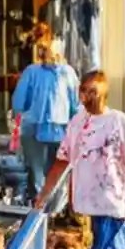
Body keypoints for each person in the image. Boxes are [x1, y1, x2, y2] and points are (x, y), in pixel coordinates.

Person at [34, 71, 125, 249]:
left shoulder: (121, 124)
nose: (87, 96)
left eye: (92, 91)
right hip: (82, 213)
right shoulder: (76, 124)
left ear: (103, 94)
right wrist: (43, 197)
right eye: (83, 90)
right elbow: (62, 162)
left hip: (112, 211)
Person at [12, 24, 80, 207]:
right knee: (45, 176)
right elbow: (18, 104)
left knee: (50, 175)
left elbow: (76, 106)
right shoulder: (34, 72)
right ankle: (44, 216)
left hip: (57, 131)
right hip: (40, 130)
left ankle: (48, 215)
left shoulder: (67, 73)